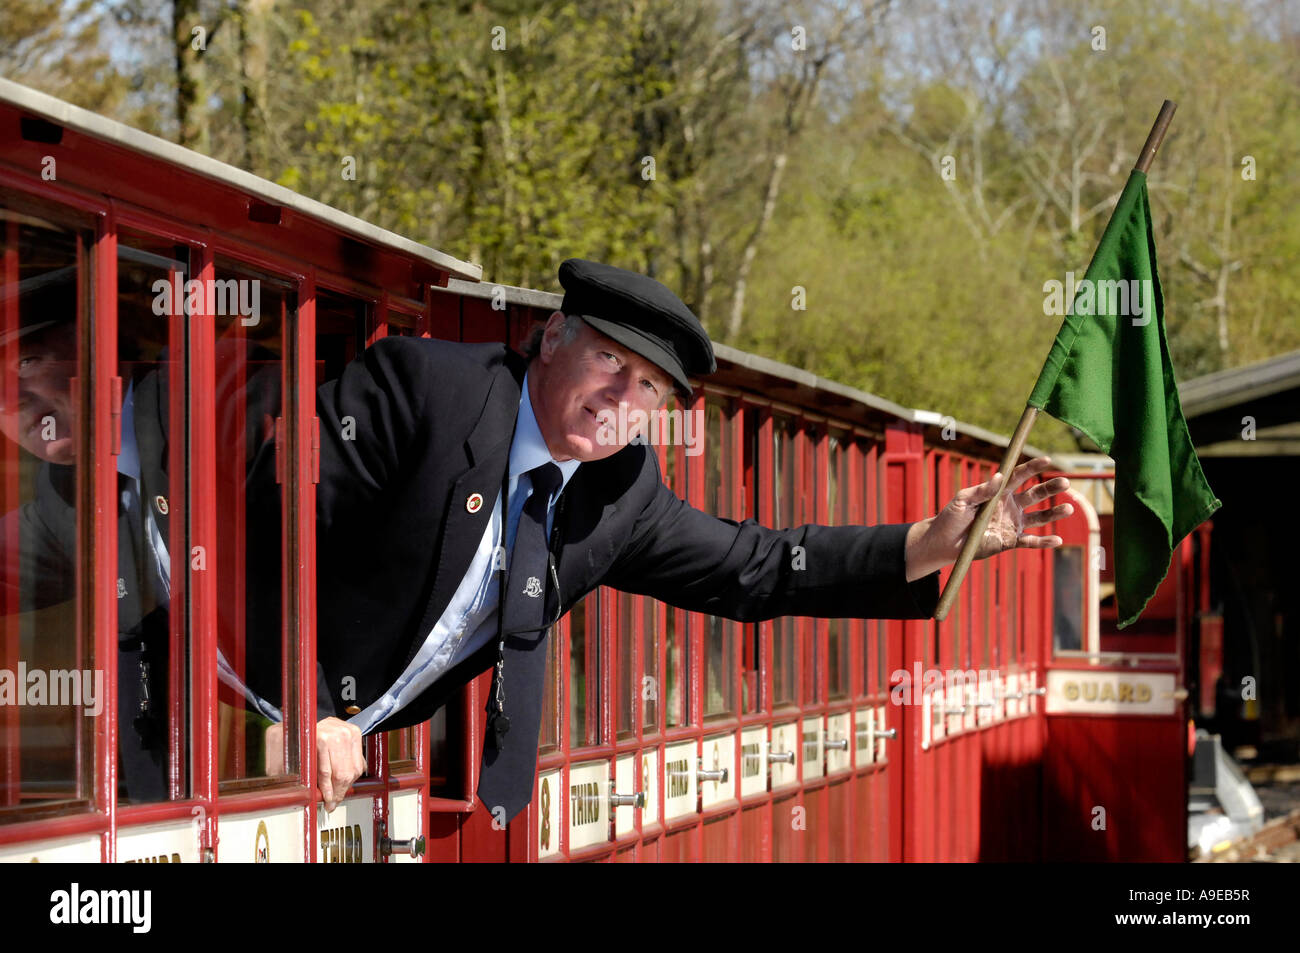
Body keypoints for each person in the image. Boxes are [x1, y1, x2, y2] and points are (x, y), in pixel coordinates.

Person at [308, 258, 1073, 818]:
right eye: (608, 358)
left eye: (647, 386)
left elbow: (757, 566)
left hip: (328, 761)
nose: (620, 396)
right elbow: (264, 515)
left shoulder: (618, 489)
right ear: (550, 338)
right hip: (222, 696)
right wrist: (304, 706)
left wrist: (932, 541)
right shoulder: (431, 388)